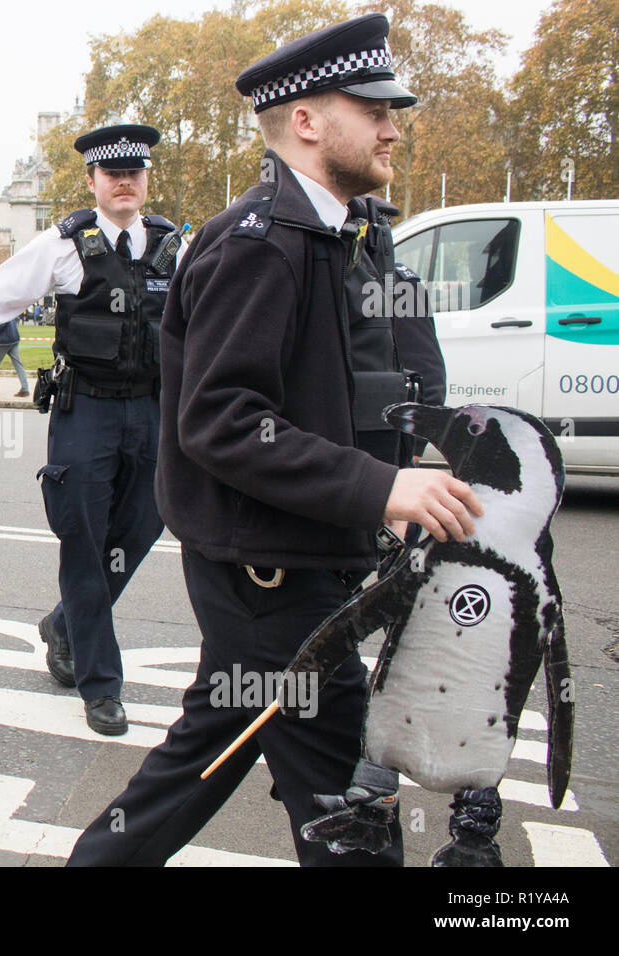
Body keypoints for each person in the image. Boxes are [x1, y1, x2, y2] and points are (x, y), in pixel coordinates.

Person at [68, 13, 483, 866]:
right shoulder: (257, 247)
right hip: (271, 582)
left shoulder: (344, 234)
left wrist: (398, 487)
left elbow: (356, 392)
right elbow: (222, 422)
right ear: (306, 121)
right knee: (348, 817)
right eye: (372, 109)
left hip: (307, 565)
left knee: (200, 763)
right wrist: (381, 488)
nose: (393, 124)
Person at [0, 124, 185, 736]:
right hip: (87, 412)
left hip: (151, 412)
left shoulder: (177, 246)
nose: (123, 183)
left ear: (146, 179)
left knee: (146, 524)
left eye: (134, 173)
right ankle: (100, 684)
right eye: (112, 174)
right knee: (82, 539)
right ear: (93, 181)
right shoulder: (64, 244)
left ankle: (63, 626)